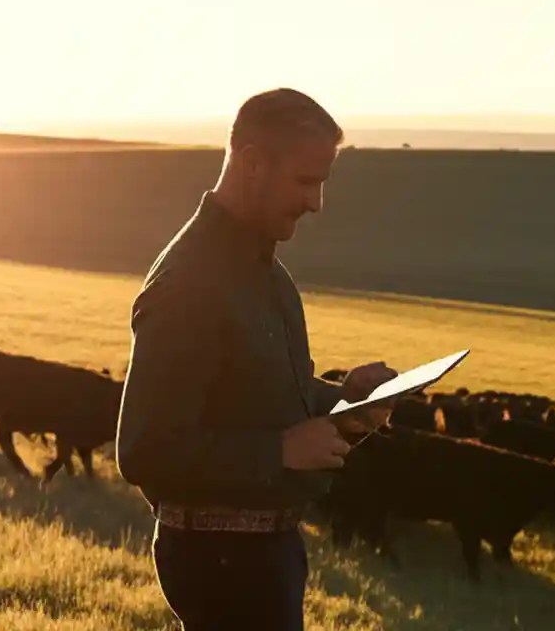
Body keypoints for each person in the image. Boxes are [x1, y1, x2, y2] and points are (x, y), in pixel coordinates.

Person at [115, 88, 398, 630]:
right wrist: (280, 451)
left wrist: (347, 403)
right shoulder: (188, 282)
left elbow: (268, 393)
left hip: (264, 556)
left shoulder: (267, 274)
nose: (316, 202)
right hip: (219, 565)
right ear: (251, 165)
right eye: (305, 181)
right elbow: (145, 450)